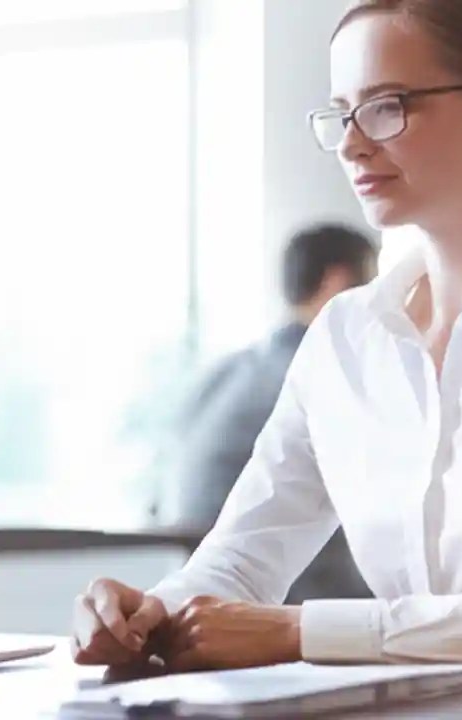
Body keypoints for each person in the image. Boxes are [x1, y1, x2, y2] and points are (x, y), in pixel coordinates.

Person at [71, 0, 462, 673]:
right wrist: (146, 617)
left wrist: (301, 632)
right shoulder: (346, 334)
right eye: (343, 112)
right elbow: (243, 559)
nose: (352, 142)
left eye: (388, 105)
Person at [168, 223, 378, 602]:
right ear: (339, 283)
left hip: (192, 577)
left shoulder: (228, 371)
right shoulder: (329, 371)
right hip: (276, 594)